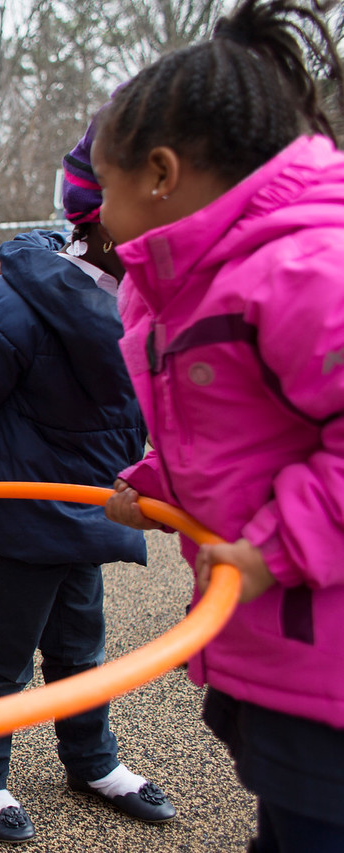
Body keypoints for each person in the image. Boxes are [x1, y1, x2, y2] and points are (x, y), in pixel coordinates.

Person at [95, 2, 344, 849]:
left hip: (324, 645)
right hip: (277, 638)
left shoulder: (304, 264)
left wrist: (276, 549)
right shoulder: (203, 280)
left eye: (103, 186)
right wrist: (158, 485)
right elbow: (245, 431)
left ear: (158, 173)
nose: (93, 213)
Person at [0, 115, 176, 843]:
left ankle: (91, 762)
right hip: (16, 514)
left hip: (84, 509)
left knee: (80, 647)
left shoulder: (143, 306)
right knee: (4, 650)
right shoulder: (20, 302)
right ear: (107, 220)